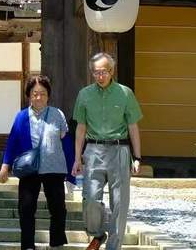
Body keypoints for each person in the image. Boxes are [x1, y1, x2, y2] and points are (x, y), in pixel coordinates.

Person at [71, 53, 143, 250]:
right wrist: (77, 158)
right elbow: (80, 128)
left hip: (120, 150)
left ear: (112, 71)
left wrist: (137, 157)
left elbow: (133, 127)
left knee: (120, 203)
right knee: (90, 198)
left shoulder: (125, 93)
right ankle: (97, 233)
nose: (100, 76)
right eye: (96, 72)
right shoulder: (84, 94)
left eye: (103, 72)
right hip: (93, 150)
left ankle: (113, 247)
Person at [0, 75, 73, 250]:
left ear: (48, 95)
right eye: (35, 93)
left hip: (54, 168)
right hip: (29, 168)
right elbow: (12, 141)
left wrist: (72, 170)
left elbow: (67, 143)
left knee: (58, 208)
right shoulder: (21, 116)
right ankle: (28, 246)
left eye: (43, 93)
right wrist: (5, 166)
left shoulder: (57, 114)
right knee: (26, 208)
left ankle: (57, 244)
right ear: (29, 95)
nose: (39, 97)